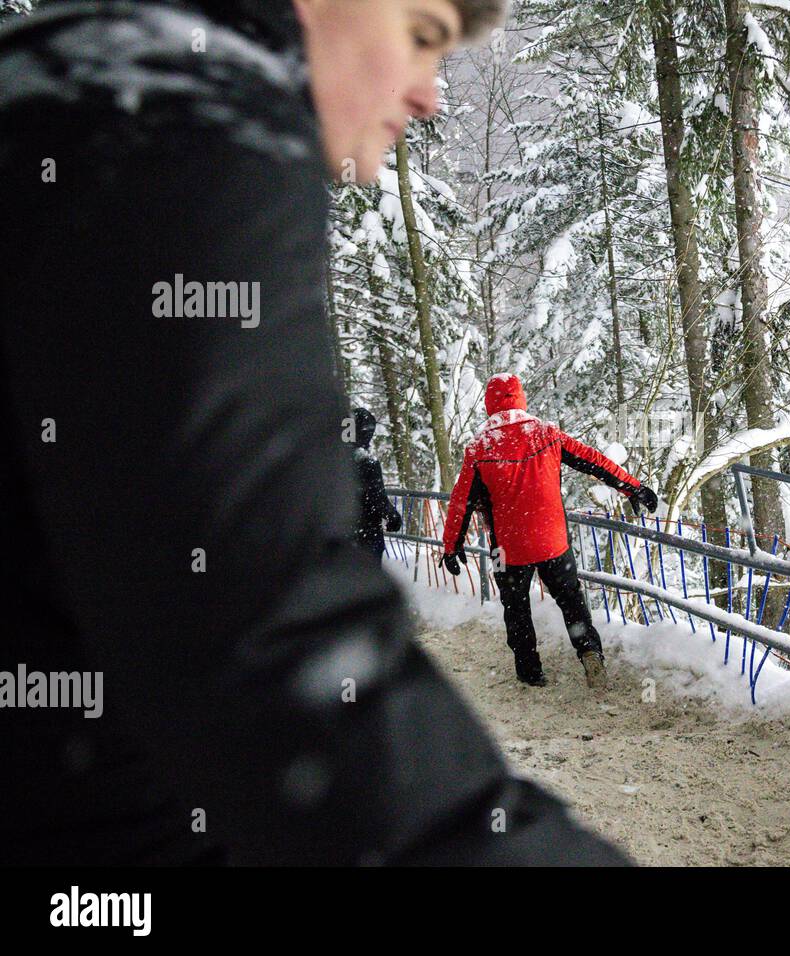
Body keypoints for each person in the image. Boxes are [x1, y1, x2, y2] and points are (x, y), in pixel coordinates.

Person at [1, 0, 628, 865]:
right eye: (422, 34)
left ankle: (538, 668)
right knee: (561, 607)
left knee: (524, 619)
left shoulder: (70, 77)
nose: (429, 95)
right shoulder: (190, 117)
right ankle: (584, 661)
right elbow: (255, 615)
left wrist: (445, 545)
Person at [441, 373, 658, 689]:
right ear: (521, 398)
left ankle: (530, 673)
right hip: (553, 542)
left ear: (489, 404)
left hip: (508, 550)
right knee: (571, 601)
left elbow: (462, 501)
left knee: (516, 609)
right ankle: (589, 653)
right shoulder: (545, 433)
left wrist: (452, 545)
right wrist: (632, 487)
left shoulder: (480, 447)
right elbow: (592, 460)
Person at [351, 406, 403, 562]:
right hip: (365, 534)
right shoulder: (366, 463)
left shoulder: (326, 459)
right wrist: (393, 517)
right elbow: (376, 497)